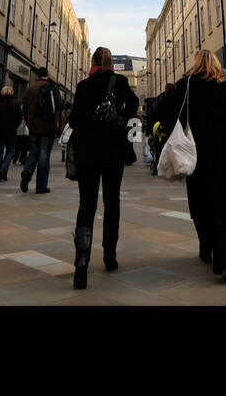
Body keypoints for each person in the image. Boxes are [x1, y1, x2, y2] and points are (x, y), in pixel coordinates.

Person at [157, 49, 226, 281]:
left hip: (196, 156)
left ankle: (206, 247)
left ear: (195, 65)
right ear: (216, 65)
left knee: (202, 205)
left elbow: (166, 115)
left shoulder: (188, 89)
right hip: (225, 156)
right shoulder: (225, 89)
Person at [67, 47, 139, 289]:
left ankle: (81, 262)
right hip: (112, 154)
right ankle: (110, 255)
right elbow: (135, 107)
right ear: (110, 63)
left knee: (86, 205)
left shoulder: (83, 86)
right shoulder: (120, 83)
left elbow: (74, 120)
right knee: (112, 201)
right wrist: (122, 122)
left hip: (88, 154)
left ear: (93, 62)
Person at [20, 66, 62, 194]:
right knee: (44, 154)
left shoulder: (30, 88)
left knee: (34, 151)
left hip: (33, 127)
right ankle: (41, 186)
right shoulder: (52, 88)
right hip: (48, 128)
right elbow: (59, 106)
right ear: (47, 75)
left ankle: (27, 171)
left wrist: (28, 122)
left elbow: (24, 107)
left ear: (37, 75)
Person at [0, 86, 23, 182]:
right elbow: (19, 118)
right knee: (10, 151)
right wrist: (14, 126)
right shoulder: (16, 104)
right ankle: (4, 168)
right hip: (11, 131)